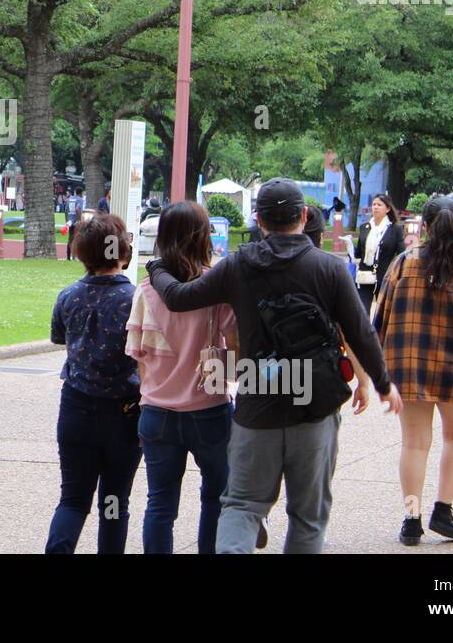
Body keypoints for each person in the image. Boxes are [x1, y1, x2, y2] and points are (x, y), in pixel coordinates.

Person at [146, 178, 401, 553]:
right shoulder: (329, 268)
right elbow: (361, 331)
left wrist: (156, 268)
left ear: (259, 220)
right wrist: (382, 383)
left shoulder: (237, 266)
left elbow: (179, 298)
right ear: (303, 216)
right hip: (314, 405)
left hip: (258, 402)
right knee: (308, 518)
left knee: (242, 506)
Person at [372, 195, 453, 546]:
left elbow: (380, 318)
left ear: (425, 227)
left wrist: (377, 369)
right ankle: (443, 511)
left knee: (414, 443)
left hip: (409, 369)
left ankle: (411, 519)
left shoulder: (404, 262)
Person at [127, 202, 237, 554]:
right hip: (209, 409)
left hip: (157, 411)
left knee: (159, 504)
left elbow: (139, 355)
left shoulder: (146, 290)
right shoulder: (216, 286)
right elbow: (236, 349)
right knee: (217, 497)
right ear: (203, 237)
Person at [46, 213, 141, 553]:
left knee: (73, 500)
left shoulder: (68, 296)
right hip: (123, 413)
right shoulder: (135, 300)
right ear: (123, 252)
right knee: (114, 503)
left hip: (76, 409)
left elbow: (59, 337)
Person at [354, 193, 402, 310]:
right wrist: (350, 247)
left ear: (388, 209)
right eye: (374, 204)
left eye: (379, 205)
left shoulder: (395, 229)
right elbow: (359, 252)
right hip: (364, 275)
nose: (375, 207)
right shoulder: (365, 227)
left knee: (382, 311)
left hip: (384, 276)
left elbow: (401, 254)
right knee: (362, 310)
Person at [64, 190, 85, 261]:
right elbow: (77, 209)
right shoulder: (80, 200)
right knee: (78, 239)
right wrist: (79, 220)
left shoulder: (70, 199)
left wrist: (67, 220)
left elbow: (66, 210)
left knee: (70, 239)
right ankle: (75, 256)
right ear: (81, 193)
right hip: (76, 222)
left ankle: (68, 257)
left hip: (70, 221)